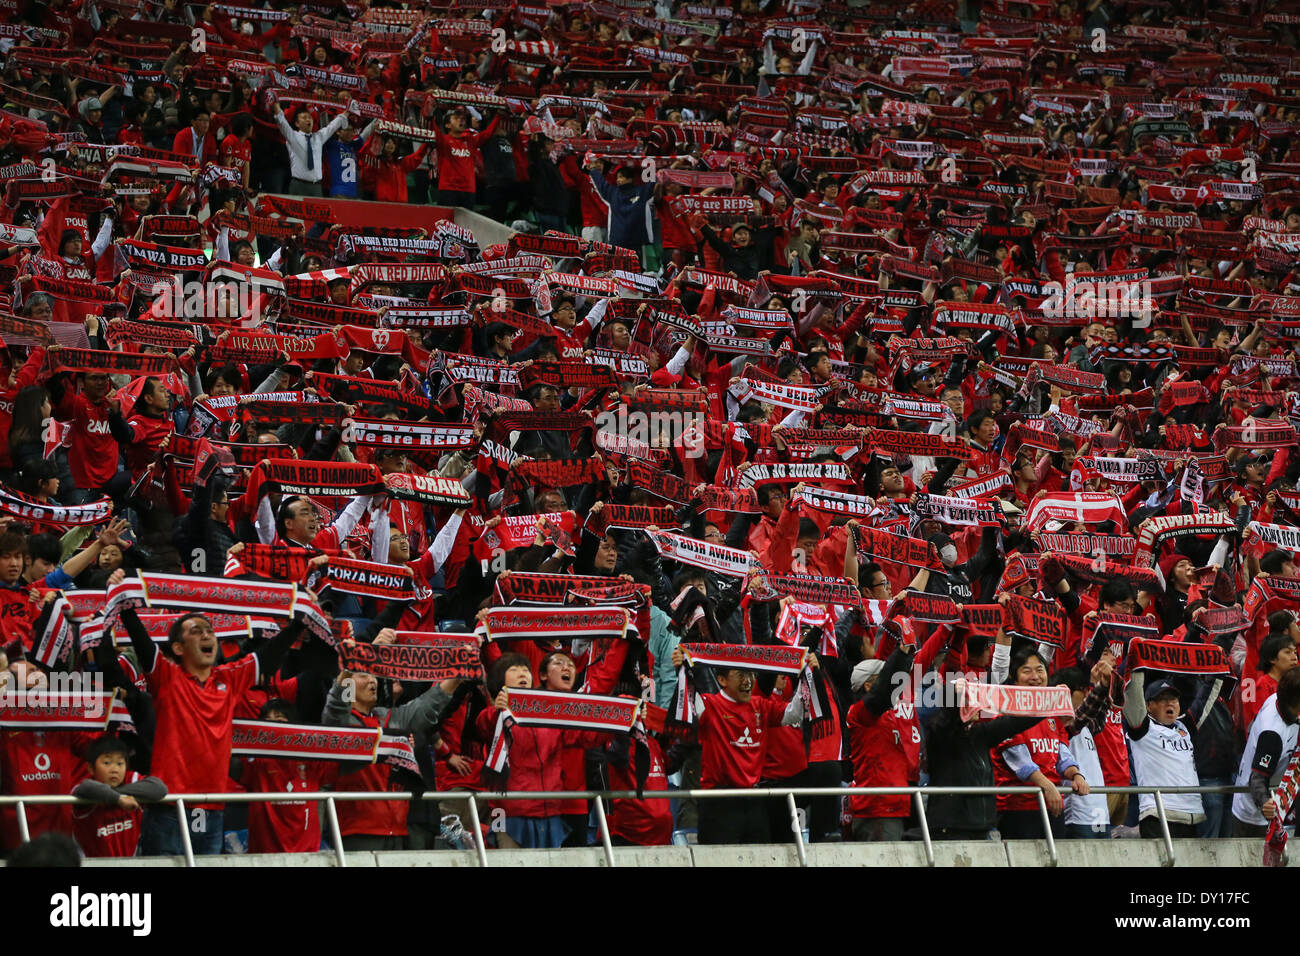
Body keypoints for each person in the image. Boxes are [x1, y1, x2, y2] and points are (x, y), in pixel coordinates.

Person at [1123, 670, 1226, 839]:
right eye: (1162, 699)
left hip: (1191, 816)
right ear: (1149, 706)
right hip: (1158, 816)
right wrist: (1136, 669)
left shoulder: (1184, 727)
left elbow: (1206, 697)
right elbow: (1133, 695)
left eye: (1174, 699)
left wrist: (1219, 670)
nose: (1170, 703)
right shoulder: (1142, 728)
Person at [1231, 668, 1300, 837]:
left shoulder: (1276, 698)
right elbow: (1256, 779)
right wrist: (1265, 803)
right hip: (1254, 819)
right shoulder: (1273, 734)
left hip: (1281, 800)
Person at [71, 736, 167, 857]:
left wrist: (117, 792)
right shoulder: (86, 788)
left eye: (120, 763)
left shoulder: (131, 780)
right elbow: (86, 788)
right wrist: (119, 799)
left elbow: (159, 788)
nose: (114, 769)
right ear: (90, 768)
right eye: (107, 763)